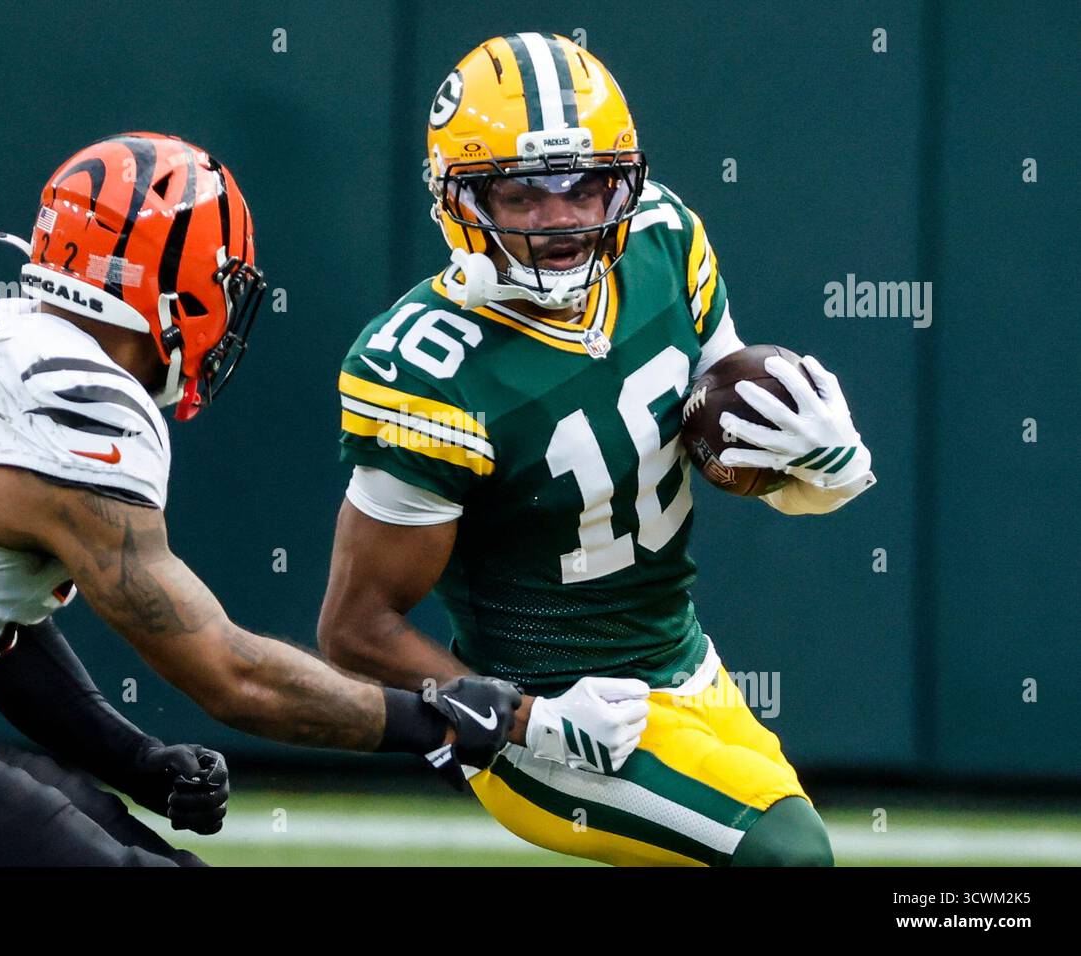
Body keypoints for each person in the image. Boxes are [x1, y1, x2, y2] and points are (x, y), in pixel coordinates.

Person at [0, 132, 521, 866]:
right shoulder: (81, 405)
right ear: (175, 289)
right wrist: (434, 720)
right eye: (224, 284)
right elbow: (235, 677)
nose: (230, 312)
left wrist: (131, 757)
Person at [317, 34, 876, 866]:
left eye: (587, 185)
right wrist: (529, 721)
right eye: (521, 193)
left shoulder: (663, 238)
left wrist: (822, 472)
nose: (563, 219)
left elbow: (723, 437)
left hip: (687, 666)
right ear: (458, 199)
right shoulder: (427, 371)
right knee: (789, 856)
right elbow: (354, 628)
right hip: (549, 722)